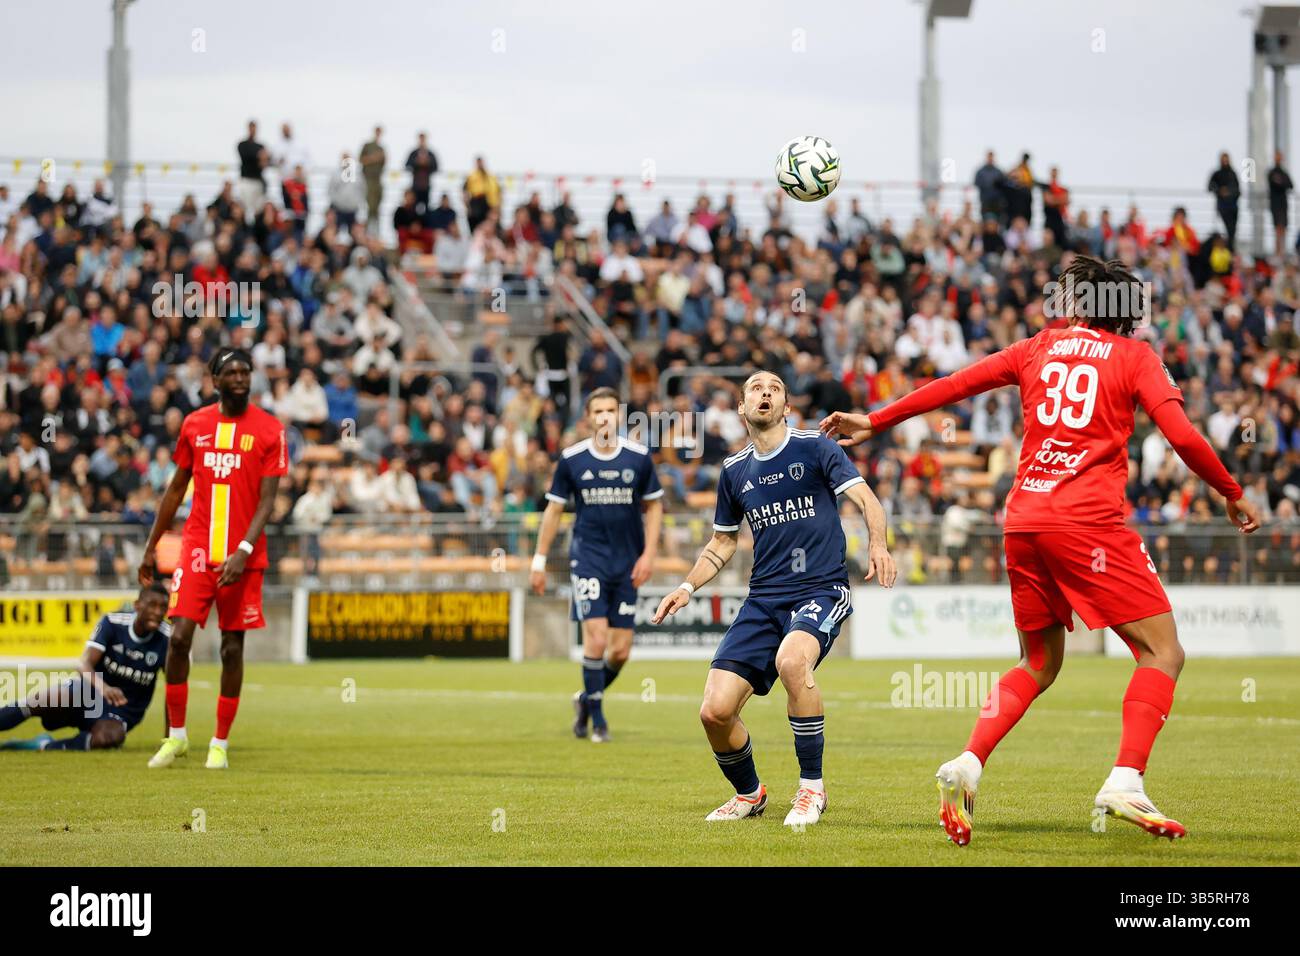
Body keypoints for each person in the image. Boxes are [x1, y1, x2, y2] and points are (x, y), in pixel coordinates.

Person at [821, 254, 1262, 845]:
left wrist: (878, 419)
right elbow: (1181, 434)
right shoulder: (1135, 358)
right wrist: (1231, 493)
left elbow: (956, 385)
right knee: (1163, 652)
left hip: (1024, 519)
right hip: (1088, 525)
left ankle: (968, 763)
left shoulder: (1037, 348)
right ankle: (1126, 780)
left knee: (1038, 662)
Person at [653, 371, 896, 825]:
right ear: (742, 410)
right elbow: (723, 542)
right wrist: (686, 587)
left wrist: (878, 543)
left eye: (775, 388)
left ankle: (811, 789)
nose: (765, 392)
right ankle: (750, 794)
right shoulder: (733, 471)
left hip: (821, 588)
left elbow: (868, 501)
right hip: (763, 599)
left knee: (791, 662)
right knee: (714, 712)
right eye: (755, 388)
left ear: (786, 407)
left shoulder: (815, 447)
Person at [138, 348, 288, 770]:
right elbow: (175, 488)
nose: (240, 378)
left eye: (246, 371)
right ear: (214, 380)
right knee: (179, 638)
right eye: (231, 372)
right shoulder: (195, 425)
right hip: (198, 550)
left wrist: (243, 549)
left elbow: (268, 502)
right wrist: (152, 546)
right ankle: (178, 738)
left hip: (244, 557)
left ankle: (219, 743)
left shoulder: (271, 430)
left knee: (231, 648)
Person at [531, 387, 664, 743]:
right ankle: (599, 721)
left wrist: (649, 554)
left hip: (627, 562)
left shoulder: (638, 458)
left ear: (618, 415)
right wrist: (539, 561)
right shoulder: (572, 459)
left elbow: (653, 507)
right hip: (588, 559)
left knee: (620, 651)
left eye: (610, 410)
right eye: (598, 411)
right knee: (596, 637)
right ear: (588, 418)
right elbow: (554, 511)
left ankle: (585, 699)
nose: (604, 417)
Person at [0, 584, 171, 751]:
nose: (157, 612)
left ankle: (42, 745)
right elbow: (83, 663)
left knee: (108, 738)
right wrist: (103, 687)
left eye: (163, 607)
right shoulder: (112, 622)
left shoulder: (168, 640)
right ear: (137, 605)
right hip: (89, 693)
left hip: (124, 710)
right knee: (43, 700)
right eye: (152, 605)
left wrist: (170, 739)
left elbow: (173, 689)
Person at [236, 120, 267, 224]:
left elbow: (265, 162)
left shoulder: (260, 146)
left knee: (258, 209)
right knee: (245, 207)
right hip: (246, 181)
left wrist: (262, 158)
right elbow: (246, 157)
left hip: (257, 181)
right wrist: (259, 156)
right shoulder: (242, 145)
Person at [1208, 151, 1240, 250]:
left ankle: (1230, 249)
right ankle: (1227, 248)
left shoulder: (1232, 174)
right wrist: (1220, 191)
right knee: (1227, 229)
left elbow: (1238, 191)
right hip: (1222, 206)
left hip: (1233, 207)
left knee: (1232, 231)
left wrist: (1229, 192)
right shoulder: (1217, 174)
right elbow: (1210, 187)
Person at [359, 126, 387, 230]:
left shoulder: (381, 148)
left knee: (378, 202)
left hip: (378, 178)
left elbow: (383, 163)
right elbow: (361, 160)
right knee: (370, 203)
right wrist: (374, 158)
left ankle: (375, 228)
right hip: (368, 179)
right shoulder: (367, 146)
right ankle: (368, 228)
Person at [405, 132, 439, 213]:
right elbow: (407, 165)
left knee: (427, 208)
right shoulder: (413, 153)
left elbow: (436, 167)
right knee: (413, 208)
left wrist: (427, 163)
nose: (422, 141)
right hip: (415, 186)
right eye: (421, 139)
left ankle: (425, 225)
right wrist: (417, 162)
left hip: (426, 186)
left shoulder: (430, 154)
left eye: (423, 139)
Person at [1269, 151, 1293, 256]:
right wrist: (1282, 183)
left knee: (1283, 227)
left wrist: (1280, 182)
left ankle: (1282, 250)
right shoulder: (1271, 173)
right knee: (1277, 227)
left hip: (1283, 203)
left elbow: (1290, 185)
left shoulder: (1283, 173)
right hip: (1275, 203)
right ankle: (1277, 251)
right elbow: (1275, 184)